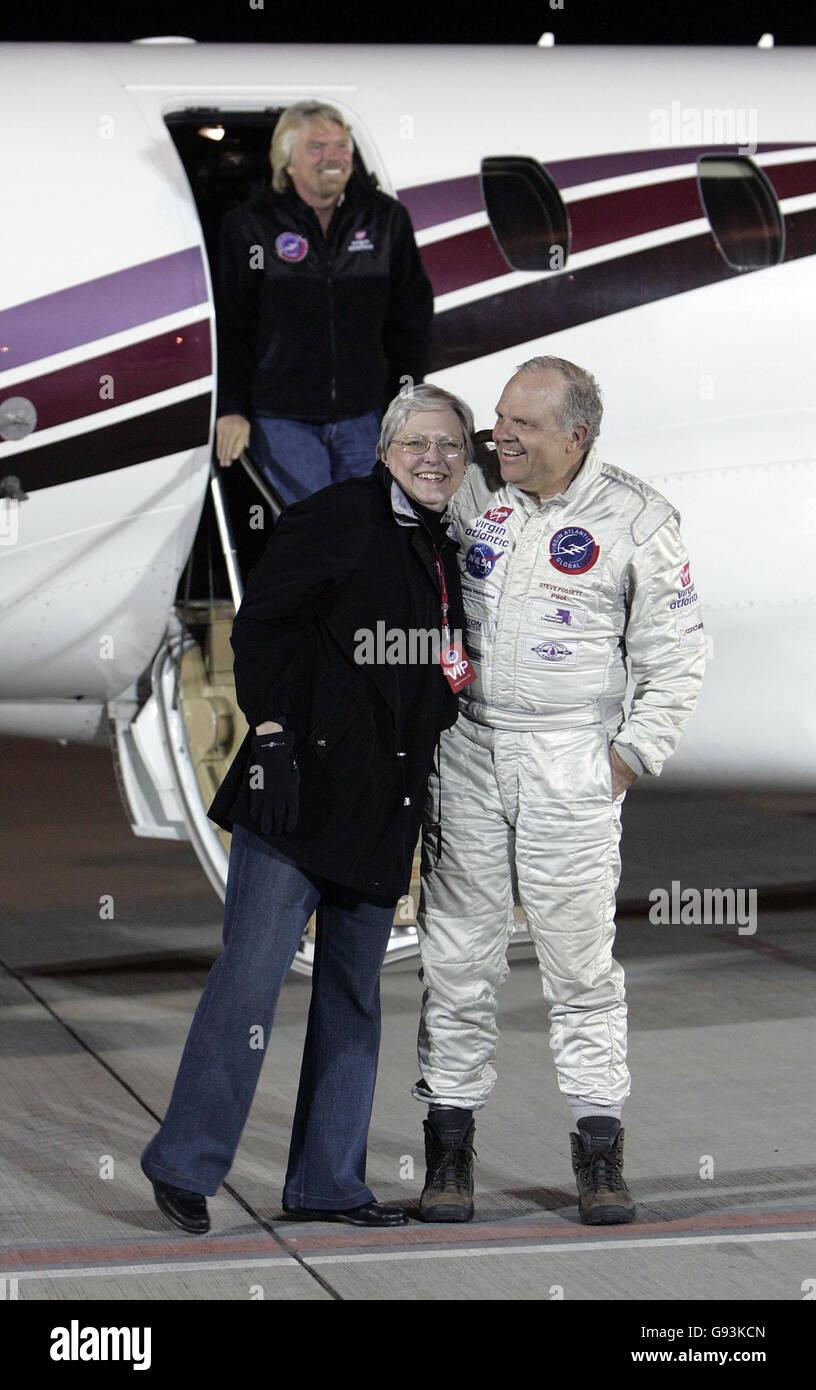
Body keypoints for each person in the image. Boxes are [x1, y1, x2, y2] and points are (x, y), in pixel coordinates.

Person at [140, 383, 473, 1232]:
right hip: (294, 799)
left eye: (450, 447)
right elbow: (264, 629)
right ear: (385, 449)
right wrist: (277, 736)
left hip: (380, 809)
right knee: (247, 987)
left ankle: (328, 1181)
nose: (435, 459)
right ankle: (184, 1164)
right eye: (418, 444)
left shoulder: (451, 550)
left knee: (353, 1000)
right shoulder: (334, 517)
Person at [413, 356, 707, 1226]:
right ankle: (448, 1153)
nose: (498, 434)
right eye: (498, 418)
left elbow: (679, 655)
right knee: (456, 964)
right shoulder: (471, 495)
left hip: (570, 765)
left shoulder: (638, 519)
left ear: (575, 437)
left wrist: (625, 761)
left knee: (580, 972)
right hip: (469, 752)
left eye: (523, 425)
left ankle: (600, 1157)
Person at [214, 100, 434, 504]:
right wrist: (232, 408)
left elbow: (412, 319)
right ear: (288, 160)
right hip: (283, 420)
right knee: (313, 532)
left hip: (365, 415)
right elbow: (232, 326)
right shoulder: (250, 226)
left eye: (341, 147)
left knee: (365, 526)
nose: (333, 157)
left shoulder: (386, 220)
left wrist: (404, 404)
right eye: (317, 147)